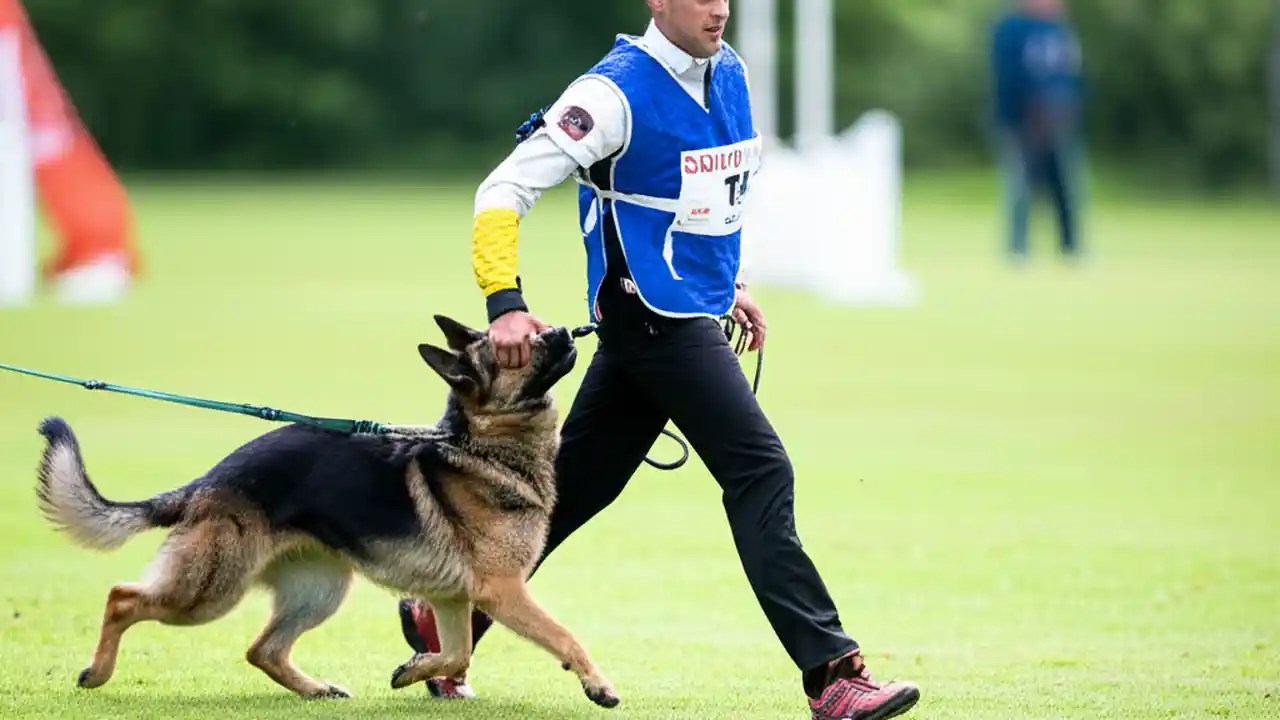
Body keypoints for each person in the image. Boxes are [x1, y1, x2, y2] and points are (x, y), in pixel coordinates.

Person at [399, 2, 920, 718]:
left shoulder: (728, 71)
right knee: (759, 468)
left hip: (681, 313)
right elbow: (501, 191)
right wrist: (504, 304)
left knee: (577, 484)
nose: (719, 7)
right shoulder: (609, 94)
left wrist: (727, 285)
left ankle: (444, 616)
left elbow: (712, 199)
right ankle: (832, 675)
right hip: (651, 321)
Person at [990, 0, 1086, 262]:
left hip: (1059, 118)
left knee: (1065, 183)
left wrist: (1070, 108)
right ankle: (1018, 248)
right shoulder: (1011, 29)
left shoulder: (1060, 30)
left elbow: (1072, 74)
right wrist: (1018, 116)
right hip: (1023, 120)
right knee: (1021, 185)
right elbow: (1007, 76)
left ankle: (1071, 246)